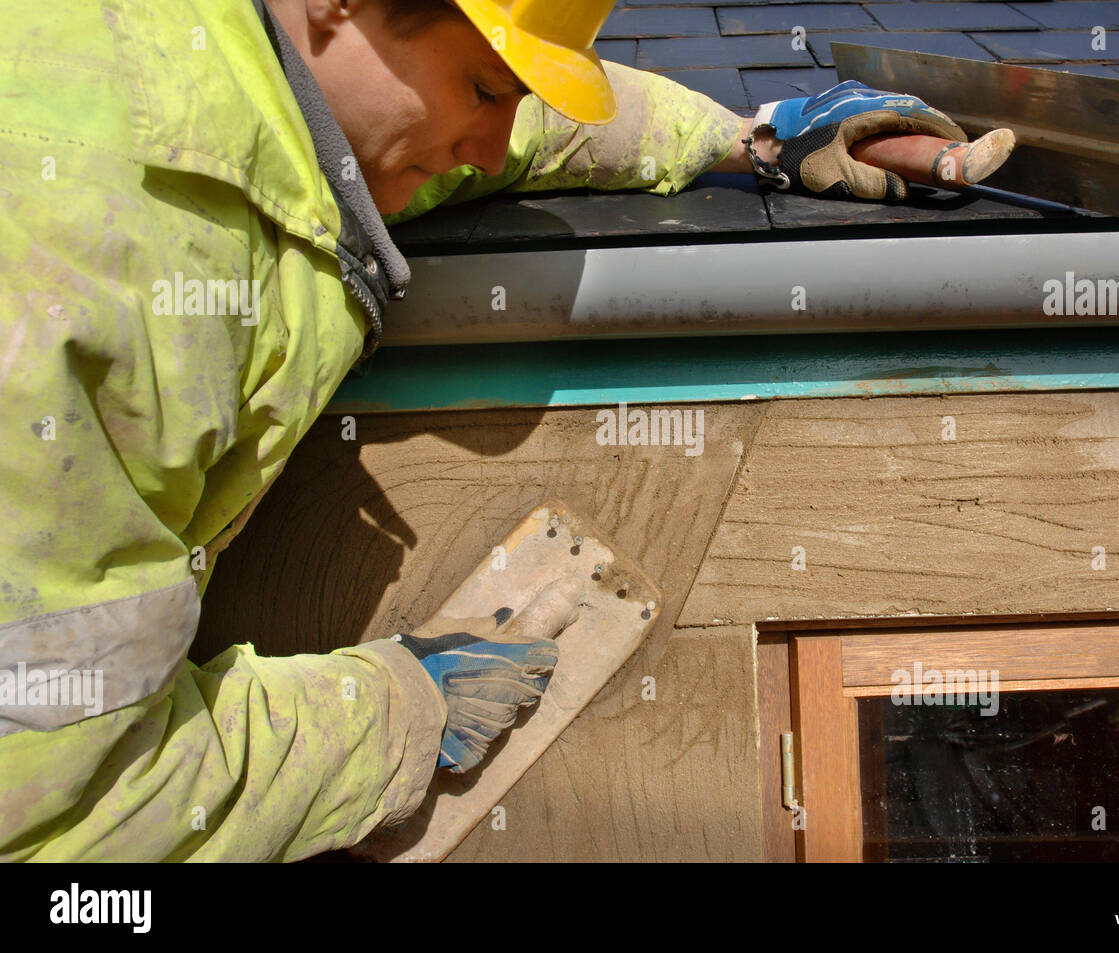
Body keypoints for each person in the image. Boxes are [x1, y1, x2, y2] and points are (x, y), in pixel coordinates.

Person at [0, 0, 965, 861]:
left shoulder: (238, 77)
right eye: (482, 89)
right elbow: (65, 814)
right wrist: (400, 712)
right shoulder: (90, 282)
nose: (496, 150)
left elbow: (525, 125)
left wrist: (752, 140)